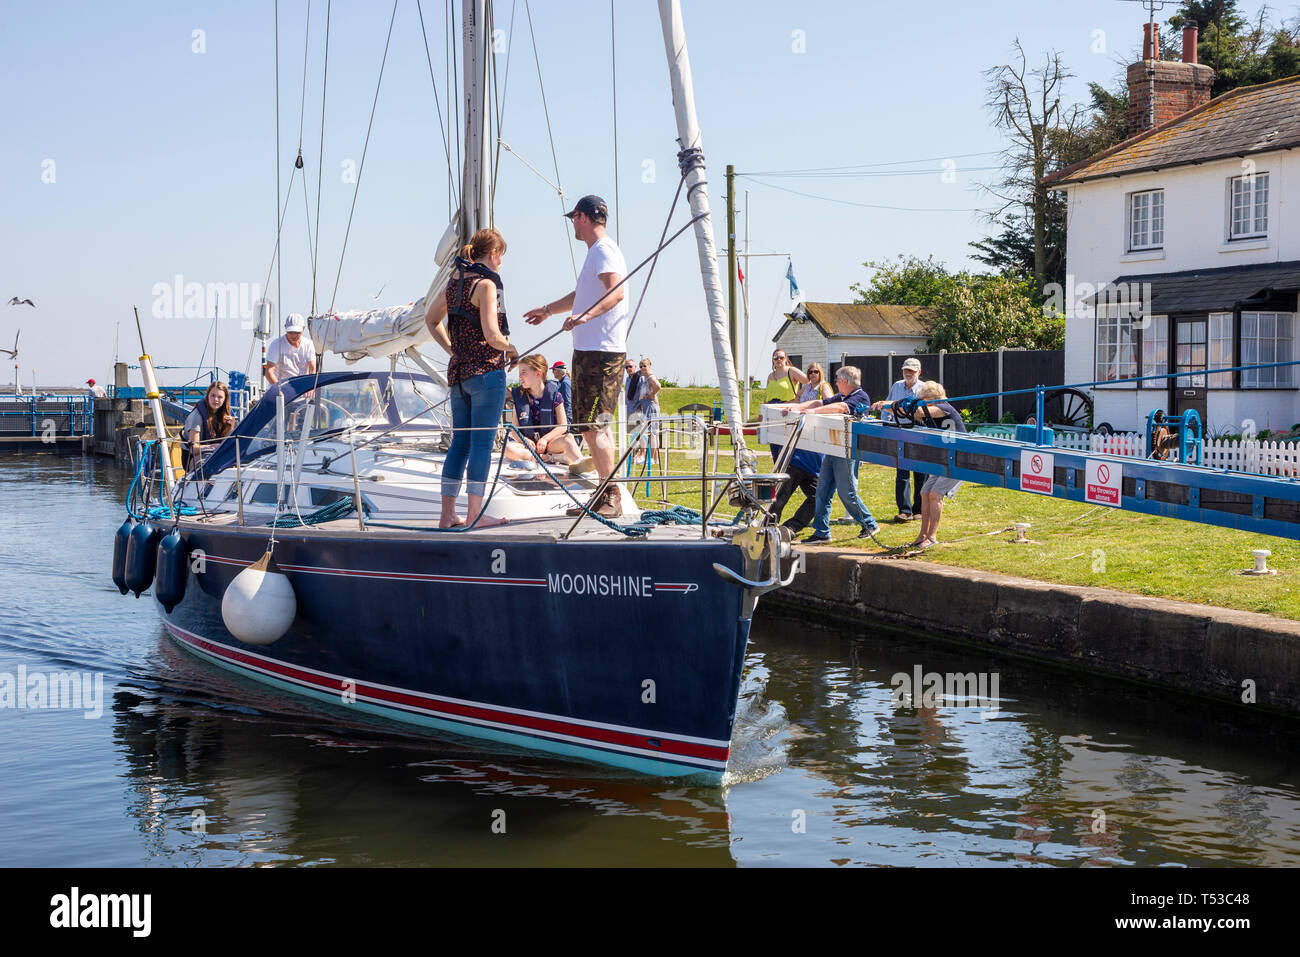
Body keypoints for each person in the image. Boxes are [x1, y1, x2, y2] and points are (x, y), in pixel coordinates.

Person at [524, 194, 629, 518]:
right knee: (590, 426)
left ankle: (611, 492)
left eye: (573, 218)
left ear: (582, 217)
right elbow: (579, 296)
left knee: (595, 425)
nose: (572, 224)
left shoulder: (605, 251)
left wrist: (585, 316)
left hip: (602, 352)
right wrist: (547, 311)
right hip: (589, 351)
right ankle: (603, 491)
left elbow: (617, 291)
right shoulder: (594, 254)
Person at [425, 227, 517, 528]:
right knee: (481, 445)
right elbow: (492, 335)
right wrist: (512, 347)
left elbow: (431, 319)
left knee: (459, 445)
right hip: (486, 374)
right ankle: (476, 515)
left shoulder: (455, 283)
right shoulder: (487, 285)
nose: (501, 263)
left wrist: (453, 349)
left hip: (459, 374)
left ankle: (447, 514)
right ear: (494, 254)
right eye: (501, 256)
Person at [788, 365, 882, 544]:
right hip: (833, 448)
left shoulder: (860, 397)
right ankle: (822, 532)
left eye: (838, 380)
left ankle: (869, 524)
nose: (836, 383)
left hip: (847, 451)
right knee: (822, 491)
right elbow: (820, 402)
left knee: (846, 492)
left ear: (845, 381)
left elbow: (840, 407)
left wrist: (812, 413)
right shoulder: (844, 395)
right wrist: (797, 407)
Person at [909, 380, 966, 549]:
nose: (921, 401)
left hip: (960, 458)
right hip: (945, 458)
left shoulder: (944, 408)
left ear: (932, 398)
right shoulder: (930, 408)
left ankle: (932, 537)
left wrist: (898, 405)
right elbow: (911, 412)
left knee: (935, 493)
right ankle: (923, 535)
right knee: (925, 492)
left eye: (923, 398)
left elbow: (919, 412)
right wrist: (887, 405)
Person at [871, 356, 925, 522]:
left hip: (919, 431)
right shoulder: (897, 385)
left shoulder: (924, 389)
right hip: (899, 431)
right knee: (902, 472)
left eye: (911, 371)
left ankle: (919, 510)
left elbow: (924, 412)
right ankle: (904, 510)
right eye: (905, 370)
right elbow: (887, 406)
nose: (908, 373)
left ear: (919, 372)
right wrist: (884, 425)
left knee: (920, 473)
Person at [505, 354, 584, 467]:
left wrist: (545, 439)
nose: (520, 377)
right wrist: (524, 440)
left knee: (569, 439)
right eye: (519, 373)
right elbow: (514, 429)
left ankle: (581, 464)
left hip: (551, 443)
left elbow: (563, 425)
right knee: (508, 448)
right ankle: (543, 458)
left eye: (523, 372)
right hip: (528, 446)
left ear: (538, 373)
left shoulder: (555, 396)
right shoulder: (519, 397)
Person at [183, 381, 236, 473]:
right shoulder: (197, 417)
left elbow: (226, 443)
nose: (216, 399)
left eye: (220, 397)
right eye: (213, 395)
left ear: (224, 400)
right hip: (193, 459)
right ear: (207, 396)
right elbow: (193, 448)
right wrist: (212, 447)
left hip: (215, 454)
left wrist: (230, 427)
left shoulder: (224, 416)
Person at [264, 313, 317, 385]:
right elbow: (269, 371)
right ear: (285, 327)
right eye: (290, 332)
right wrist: (279, 390)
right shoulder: (276, 344)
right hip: (280, 388)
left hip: (302, 389)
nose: (293, 335)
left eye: (297, 332)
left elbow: (312, 368)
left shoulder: (308, 344)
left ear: (303, 329)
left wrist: (310, 386)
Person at [628, 357, 661, 465]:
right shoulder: (644, 377)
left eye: (644, 366)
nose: (642, 368)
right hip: (646, 406)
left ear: (649, 366)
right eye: (641, 366)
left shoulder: (650, 377)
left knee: (653, 432)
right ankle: (654, 459)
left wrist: (651, 394)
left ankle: (651, 458)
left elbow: (658, 386)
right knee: (652, 432)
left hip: (651, 407)